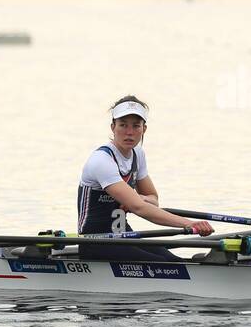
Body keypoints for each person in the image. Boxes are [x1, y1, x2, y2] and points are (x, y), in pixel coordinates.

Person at [74, 96, 213, 261]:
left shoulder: (137, 154)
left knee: (175, 260)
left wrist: (138, 198)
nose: (129, 132)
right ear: (113, 127)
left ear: (144, 129)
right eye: (123, 125)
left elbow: (153, 200)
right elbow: (140, 209)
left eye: (136, 126)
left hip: (123, 235)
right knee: (170, 264)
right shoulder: (102, 161)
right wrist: (188, 224)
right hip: (96, 242)